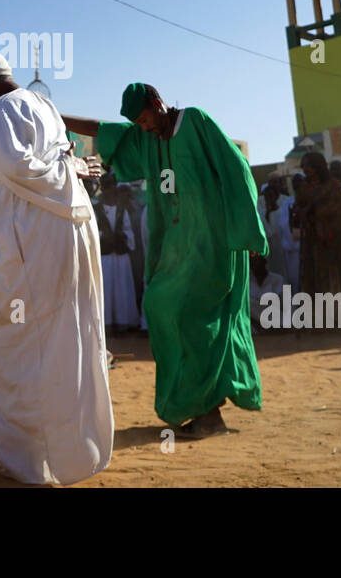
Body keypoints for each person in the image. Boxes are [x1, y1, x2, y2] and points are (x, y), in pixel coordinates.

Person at [63, 81, 265, 440]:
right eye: (137, 124)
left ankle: (209, 413)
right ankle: (197, 404)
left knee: (190, 316)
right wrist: (48, 113)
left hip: (213, 243)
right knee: (161, 309)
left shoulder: (196, 122)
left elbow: (237, 169)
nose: (143, 127)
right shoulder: (147, 139)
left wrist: (247, 230)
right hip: (176, 246)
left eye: (144, 119)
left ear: (158, 103)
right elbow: (101, 130)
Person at [0, 53, 112, 484]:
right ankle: (72, 450)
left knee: (14, 339)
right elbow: (60, 156)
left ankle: (31, 456)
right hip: (70, 228)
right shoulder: (42, 104)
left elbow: (14, 166)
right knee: (66, 335)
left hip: (36, 239)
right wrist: (72, 168)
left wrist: (68, 169)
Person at [297, 152, 341, 299]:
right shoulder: (303, 188)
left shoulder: (334, 186)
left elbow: (338, 209)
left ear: (317, 166)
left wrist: (313, 211)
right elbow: (299, 208)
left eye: (308, 166)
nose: (305, 169)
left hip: (337, 242)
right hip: (313, 243)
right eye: (303, 166)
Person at [93, 172, 140, 331]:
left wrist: (123, 235)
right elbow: (91, 232)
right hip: (105, 256)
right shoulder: (96, 209)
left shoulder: (122, 210)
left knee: (122, 290)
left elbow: (129, 231)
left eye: (112, 186)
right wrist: (103, 236)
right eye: (106, 187)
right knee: (105, 290)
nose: (110, 190)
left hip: (120, 257)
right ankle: (106, 324)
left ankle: (123, 323)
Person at [276, 174, 304, 292]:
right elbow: (283, 224)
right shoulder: (287, 203)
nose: (297, 185)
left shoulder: (311, 199)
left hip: (310, 248)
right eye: (295, 182)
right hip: (293, 252)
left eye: (300, 182)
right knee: (295, 282)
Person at [248, 252, 285, 330]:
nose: (256, 267)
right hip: (255, 322)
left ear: (264, 263)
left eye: (259, 264)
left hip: (274, 318)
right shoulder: (248, 281)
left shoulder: (277, 279)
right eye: (253, 264)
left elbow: (282, 301)